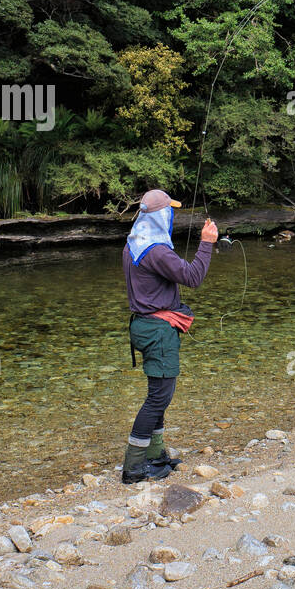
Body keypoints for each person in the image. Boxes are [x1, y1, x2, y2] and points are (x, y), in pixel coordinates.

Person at [121, 188, 218, 483]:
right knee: (158, 398)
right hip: (157, 331)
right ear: (162, 215)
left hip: (144, 326)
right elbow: (193, 277)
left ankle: (156, 456)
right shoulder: (157, 251)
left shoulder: (134, 243)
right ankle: (133, 468)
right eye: (170, 210)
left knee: (159, 397)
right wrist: (206, 243)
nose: (172, 214)